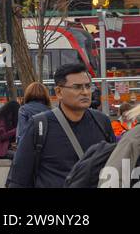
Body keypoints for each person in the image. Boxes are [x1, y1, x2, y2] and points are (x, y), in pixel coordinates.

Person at [6, 61, 115, 189]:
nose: (85, 92)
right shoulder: (39, 126)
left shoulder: (102, 122)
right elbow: (19, 180)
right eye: (77, 87)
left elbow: (114, 166)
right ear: (59, 92)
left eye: (88, 86)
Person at [99, 103, 140, 188]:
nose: (126, 118)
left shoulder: (135, 125)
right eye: (124, 115)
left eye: (128, 115)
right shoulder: (116, 124)